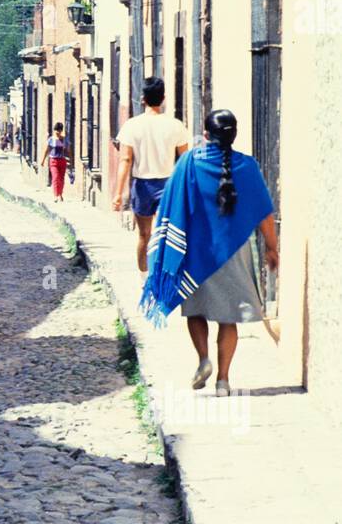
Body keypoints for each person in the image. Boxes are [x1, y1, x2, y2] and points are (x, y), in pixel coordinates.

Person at [141, 109, 279, 396]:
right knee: (228, 318)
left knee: (196, 311)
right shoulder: (247, 166)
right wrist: (272, 246)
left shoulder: (189, 162)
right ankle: (224, 380)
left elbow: (170, 204)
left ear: (206, 135)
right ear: (234, 135)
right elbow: (265, 212)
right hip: (234, 253)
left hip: (195, 252)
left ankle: (203, 359)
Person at [113, 76, 189, 273]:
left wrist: (118, 193)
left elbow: (126, 160)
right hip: (168, 184)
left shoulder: (132, 125)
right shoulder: (175, 125)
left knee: (144, 235)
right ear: (163, 98)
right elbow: (184, 160)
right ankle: (165, 276)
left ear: (142, 98)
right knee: (168, 235)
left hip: (142, 185)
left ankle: (144, 279)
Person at [40, 122, 68, 202]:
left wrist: (71, 161)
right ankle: (56, 195)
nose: (58, 133)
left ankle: (60, 194)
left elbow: (68, 150)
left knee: (61, 179)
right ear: (54, 131)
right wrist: (43, 160)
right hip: (53, 161)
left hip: (62, 161)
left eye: (59, 131)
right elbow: (46, 150)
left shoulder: (64, 139)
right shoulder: (51, 140)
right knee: (55, 177)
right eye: (57, 131)